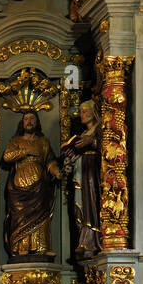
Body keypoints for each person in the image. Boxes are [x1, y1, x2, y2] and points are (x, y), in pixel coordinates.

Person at [1, 111, 63, 261]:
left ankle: (42, 247)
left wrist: (56, 172)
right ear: (22, 123)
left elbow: (50, 161)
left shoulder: (43, 142)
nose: (29, 121)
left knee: (41, 216)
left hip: (40, 186)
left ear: (37, 122)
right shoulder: (16, 141)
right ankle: (21, 247)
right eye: (26, 119)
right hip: (19, 186)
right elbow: (7, 157)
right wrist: (25, 151)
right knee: (20, 217)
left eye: (32, 119)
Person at [61, 100, 101, 259]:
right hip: (80, 173)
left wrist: (93, 142)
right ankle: (83, 241)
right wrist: (71, 155)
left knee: (91, 204)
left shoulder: (99, 130)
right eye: (81, 112)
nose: (81, 115)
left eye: (85, 111)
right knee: (80, 206)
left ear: (93, 112)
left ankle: (91, 240)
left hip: (92, 173)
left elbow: (112, 147)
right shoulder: (83, 134)